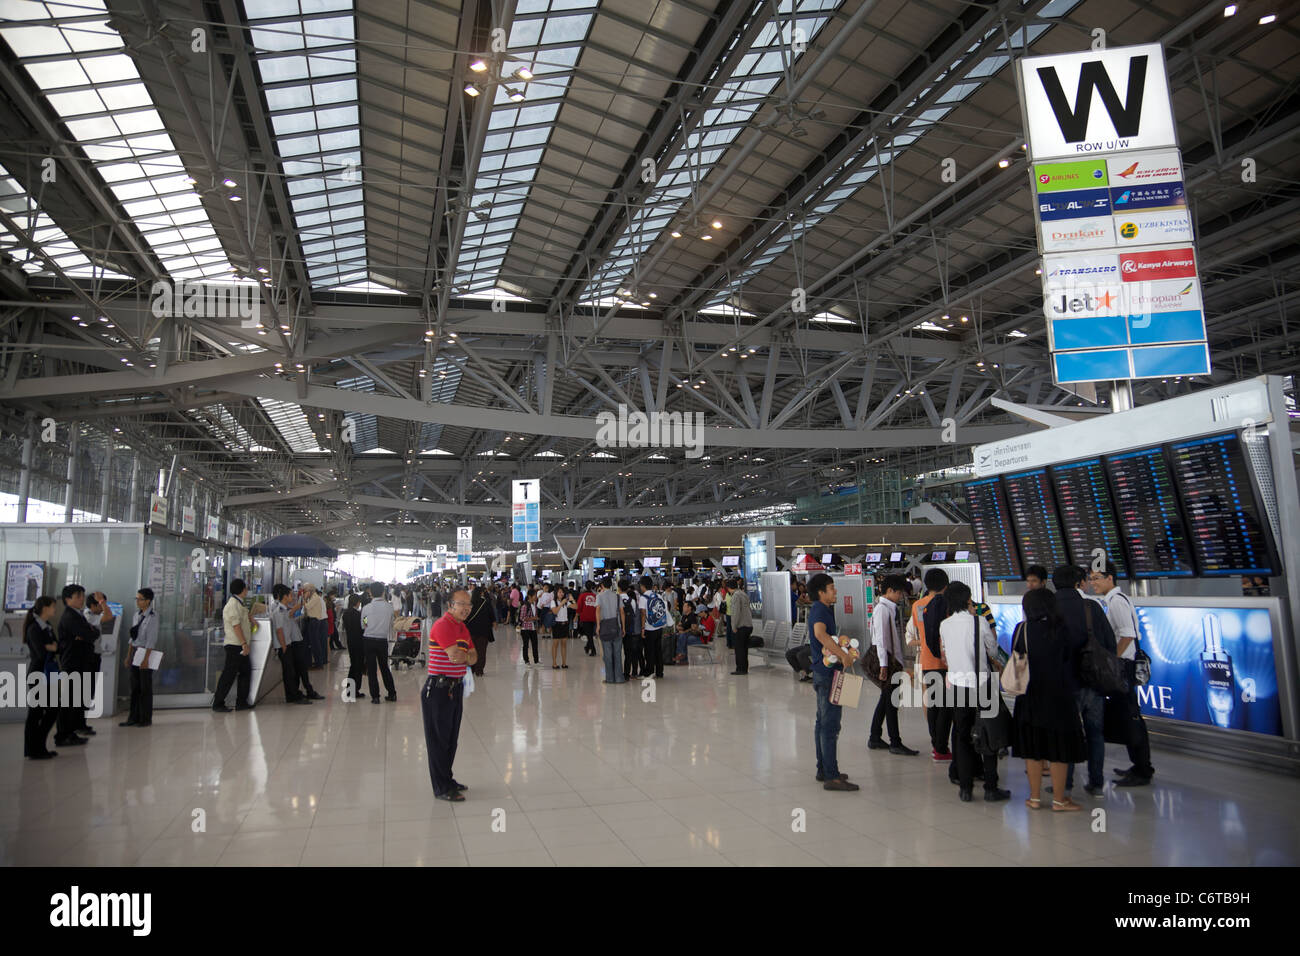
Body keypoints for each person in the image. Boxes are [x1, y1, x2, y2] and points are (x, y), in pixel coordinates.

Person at [1013, 588, 1088, 811]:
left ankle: (1034, 798)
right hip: (1058, 696)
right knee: (1059, 749)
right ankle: (1059, 800)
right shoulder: (1062, 629)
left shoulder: (1022, 629)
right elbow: (1071, 658)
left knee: (1033, 748)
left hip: (1029, 695)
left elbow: (1017, 658)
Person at [939, 581, 1009, 803]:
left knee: (962, 736)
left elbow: (947, 654)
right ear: (968, 599)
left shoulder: (945, 625)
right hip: (982, 684)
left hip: (959, 686)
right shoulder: (979, 622)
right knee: (989, 734)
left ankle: (966, 788)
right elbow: (992, 648)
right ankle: (990, 787)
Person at [1089, 563, 1154, 786]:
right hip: (1122, 665)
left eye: (1097, 578)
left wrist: (1111, 662)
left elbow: (1127, 635)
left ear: (1110, 578)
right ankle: (1139, 765)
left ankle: (1143, 768)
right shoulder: (1114, 601)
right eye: (1091, 578)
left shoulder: (1116, 602)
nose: (1093, 583)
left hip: (1123, 667)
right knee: (1129, 715)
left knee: (1131, 716)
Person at [1054, 565, 1114, 797]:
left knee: (1067, 732)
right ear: (1079, 582)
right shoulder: (1092, 607)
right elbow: (1109, 643)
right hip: (1092, 680)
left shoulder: (1049, 608)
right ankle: (1096, 782)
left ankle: (1066, 782)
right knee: (1095, 733)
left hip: (1063, 683)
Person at [423, 588, 477, 801]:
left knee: (451, 739)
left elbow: (474, 658)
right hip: (438, 689)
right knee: (438, 740)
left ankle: (447, 778)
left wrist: (465, 655)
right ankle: (441, 787)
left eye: (468, 605)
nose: (466, 609)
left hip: (455, 687)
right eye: (461, 604)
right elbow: (455, 654)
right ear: (450, 605)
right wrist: (465, 655)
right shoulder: (442, 625)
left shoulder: (463, 628)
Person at [807, 573, 858, 791]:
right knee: (830, 725)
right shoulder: (819, 609)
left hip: (823, 671)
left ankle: (823, 769)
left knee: (822, 723)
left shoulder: (823, 609)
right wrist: (842, 654)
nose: (835, 591)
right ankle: (832, 775)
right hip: (828, 675)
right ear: (821, 592)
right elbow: (820, 634)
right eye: (831, 588)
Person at [868, 574, 918, 756]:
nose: (901, 597)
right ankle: (895, 742)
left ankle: (874, 737)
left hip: (892, 661)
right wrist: (883, 665)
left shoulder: (889, 608)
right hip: (888, 662)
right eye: (899, 593)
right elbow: (881, 639)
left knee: (886, 700)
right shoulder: (882, 610)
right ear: (890, 591)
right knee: (891, 702)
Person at [910, 567, 951, 763]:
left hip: (926, 658)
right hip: (944, 662)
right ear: (946, 585)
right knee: (945, 707)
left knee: (933, 704)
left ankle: (936, 743)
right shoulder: (946, 604)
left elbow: (919, 629)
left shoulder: (918, 604)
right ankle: (942, 746)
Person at [56, 585, 101, 738]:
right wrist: (89, 633)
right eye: (78, 596)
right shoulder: (70, 616)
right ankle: (64, 734)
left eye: (82, 595)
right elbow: (87, 633)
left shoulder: (78, 614)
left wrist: (90, 633)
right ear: (68, 599)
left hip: (82, 661)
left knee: (80, 697)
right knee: (70, 699)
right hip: (73, 662)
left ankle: (77, 726)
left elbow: (92, 633)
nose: (82, 599)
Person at [24, 596, 65, 758]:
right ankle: (34, 749)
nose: (55, 610)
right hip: (38, 675)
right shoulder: (34, 628)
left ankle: (39, 746)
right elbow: (40, 654)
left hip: (51, 674)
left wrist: (51, 647)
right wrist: (50, 647)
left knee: (52, 709)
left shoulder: (46, 626)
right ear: (45, 608)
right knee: (36, 713)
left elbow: (57, 647)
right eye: (53, 606)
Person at [213, 579, 257, 712]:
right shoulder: (232, 605)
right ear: (242, 590)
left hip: (241, 645)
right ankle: (218, 703)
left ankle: (241, 702)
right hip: (235, 646)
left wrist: (251, 618)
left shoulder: (239, 604)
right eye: (246, 588)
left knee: (245, 672)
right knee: (229, 675)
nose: (247, 591)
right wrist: (244, 643)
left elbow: (243, 618)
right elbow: (236, 626)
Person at [120, 588, 159, 727]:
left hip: (145, 653)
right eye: (136, 599)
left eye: (140, 599)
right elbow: (133, 638)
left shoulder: (153, 617)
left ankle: (145, 718)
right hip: (136, 652)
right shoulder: (136, 615)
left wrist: (146, 659)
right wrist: (128, 655)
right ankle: (133, 717)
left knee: (145, 688)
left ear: (148, 601)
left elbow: (151, 640)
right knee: (135, 687)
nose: (137, 601)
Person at [362, 581, 398, 701]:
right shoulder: (389, 607)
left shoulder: (366, 608)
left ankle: (375, 697)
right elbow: (391, 623)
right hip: (382, 640)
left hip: (368, 640)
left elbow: (364, 623)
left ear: (370, 593)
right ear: (383, 592)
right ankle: (392, 693)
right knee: (384, 667)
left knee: (371, 669)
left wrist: (369, 625)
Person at [595, 577, 625, 683]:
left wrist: (598, 626)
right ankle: (619, 678)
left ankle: (610, 678)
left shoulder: (599, 596)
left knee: (607, 654)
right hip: (616, 627)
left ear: (602, 586)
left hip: (605, 628)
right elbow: (622, 612)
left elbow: (598, 610)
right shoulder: (617, 597)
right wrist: (623, 627)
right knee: (617, 653)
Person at [641, 577, 667, 679]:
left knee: (649, 651)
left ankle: (649, 671)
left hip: (649, 628)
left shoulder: (643, 598)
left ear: (643, 586)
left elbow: (643, 614)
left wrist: (642, 628)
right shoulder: (658, 595)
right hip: (658, 626)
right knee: (658, 650)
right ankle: (660, 672)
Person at [342, 592, 366, 699]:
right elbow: (365, 625)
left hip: (350, 642)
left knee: (353, 665)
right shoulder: (360, 614)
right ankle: (354, 690)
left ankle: (350, 689)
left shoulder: (345, 614)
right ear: (357, 602)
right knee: (358, 666)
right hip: (360, 642)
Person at [620, 579, 644, 680]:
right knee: (630, 653)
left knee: (618, 652)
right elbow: (636, 616)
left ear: (619, 588)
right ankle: (628, 674)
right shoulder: (633, 601)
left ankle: (619, 673)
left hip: (618, 629)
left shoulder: (617, 599)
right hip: (631, 630)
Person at [729, 577, 753, 675]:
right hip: (748, 625)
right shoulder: (744, 594)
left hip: (741, 626)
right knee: (744, 648)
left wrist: (733, 626)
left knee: (739, 649)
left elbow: (736, 613)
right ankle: (744, 668)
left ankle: (740, 669)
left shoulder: (735, 596)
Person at [302, 583, 328, 668]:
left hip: (315, 621)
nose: (305, 592)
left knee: (315, 643)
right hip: (313, 621)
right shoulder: (314, 598)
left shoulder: (315, 598)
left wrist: (304, 599)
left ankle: (319, 663)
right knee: (314, 643)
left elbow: (307, 607)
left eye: (306, 591)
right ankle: (318, 662)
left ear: (310, 590)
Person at [519, 589, 539, 665]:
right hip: (525, 628)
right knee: (526, 645)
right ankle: (526, 661)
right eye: (534, 595)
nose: (536, 597)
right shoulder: (525, 606)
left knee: (535, 644)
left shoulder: (534, 605)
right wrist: (533, 618)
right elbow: (522, 618)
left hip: (533, 628)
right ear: (530, 596)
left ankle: (536, 661)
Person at [577, 582, 598, 657]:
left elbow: (579, 606)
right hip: (594, 617)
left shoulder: (582, 595)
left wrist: (578, 614)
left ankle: (593, 650)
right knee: (590, 634)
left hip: (585, 617)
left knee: (589, 634)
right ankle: (587, 647)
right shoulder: (595, 596)